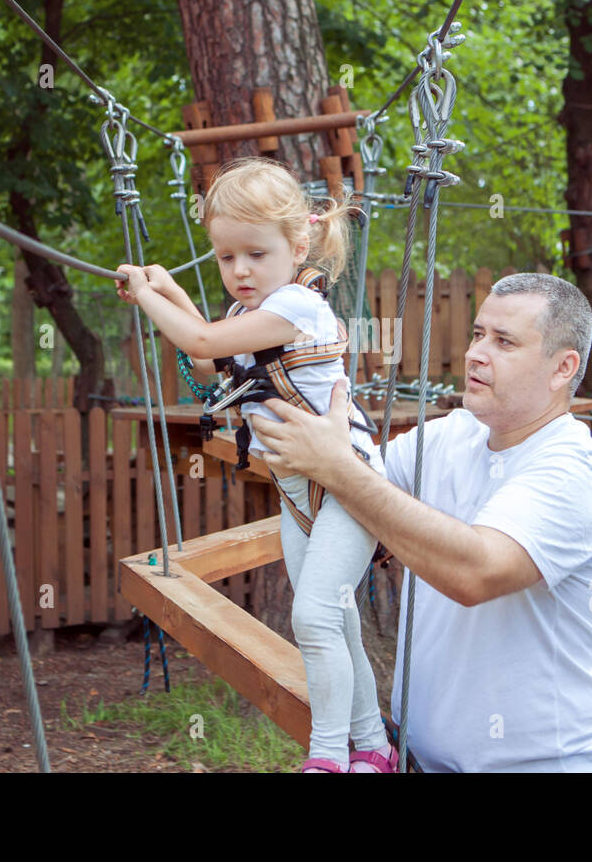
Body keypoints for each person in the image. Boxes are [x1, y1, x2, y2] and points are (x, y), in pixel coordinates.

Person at [251, 273, 592, 772]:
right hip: (422, 762)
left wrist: (337, 466)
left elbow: (475, 572)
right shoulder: (454, 435)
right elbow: (351, 491)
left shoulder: (575, 468)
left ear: (563, 368)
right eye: (478, 334)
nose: (476, 353)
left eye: (504, 341)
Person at [115, 157, 397, 773]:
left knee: (315, 614)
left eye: (255, 254)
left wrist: (144, 297)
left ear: (298, 247)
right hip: (298, 492)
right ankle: (373, 745)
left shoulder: (298, 304)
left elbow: (200, 345)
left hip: (347, 483)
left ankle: (327, 756)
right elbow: (215, 354)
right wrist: (169, 291)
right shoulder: (249, 315)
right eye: (225, 257)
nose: (239, 270)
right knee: (336, 615)